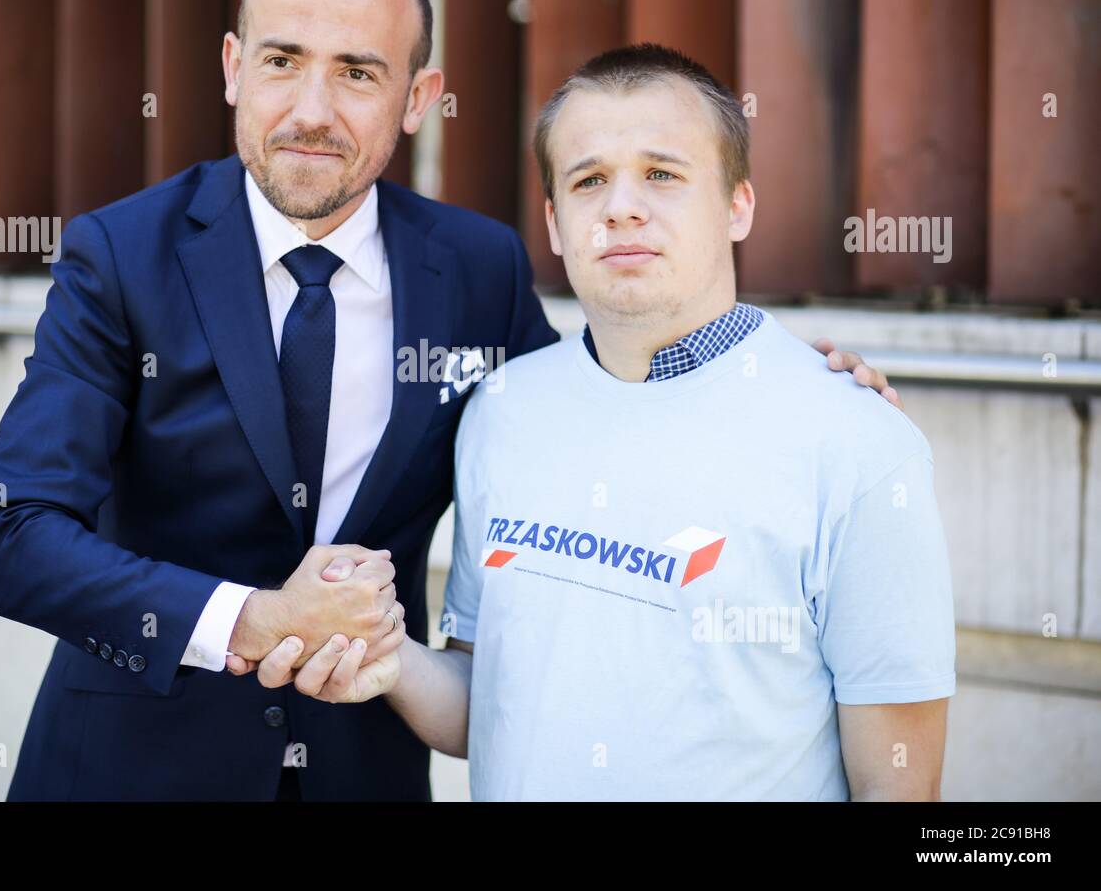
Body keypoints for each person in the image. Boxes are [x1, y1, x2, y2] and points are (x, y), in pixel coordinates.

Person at [0, 0, 898, 801]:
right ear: (233, 70)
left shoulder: (476, 269)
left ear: (418, 97)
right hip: (129, 777)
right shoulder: (121, 254)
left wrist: (786, 394)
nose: (313, 112)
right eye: (282, 62)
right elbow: (11, 538)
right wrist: (252, 619)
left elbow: (592, 424)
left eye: (358, 73)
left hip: (363, 776)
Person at [251, 43, 955, 802]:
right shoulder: (504, 410)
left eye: (662, 173)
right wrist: (390, 657)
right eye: (590, 181)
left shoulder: (856, 441)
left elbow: (899, 787)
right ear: (555, 223)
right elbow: (484, 709)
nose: (621, 206)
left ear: (738, 205)